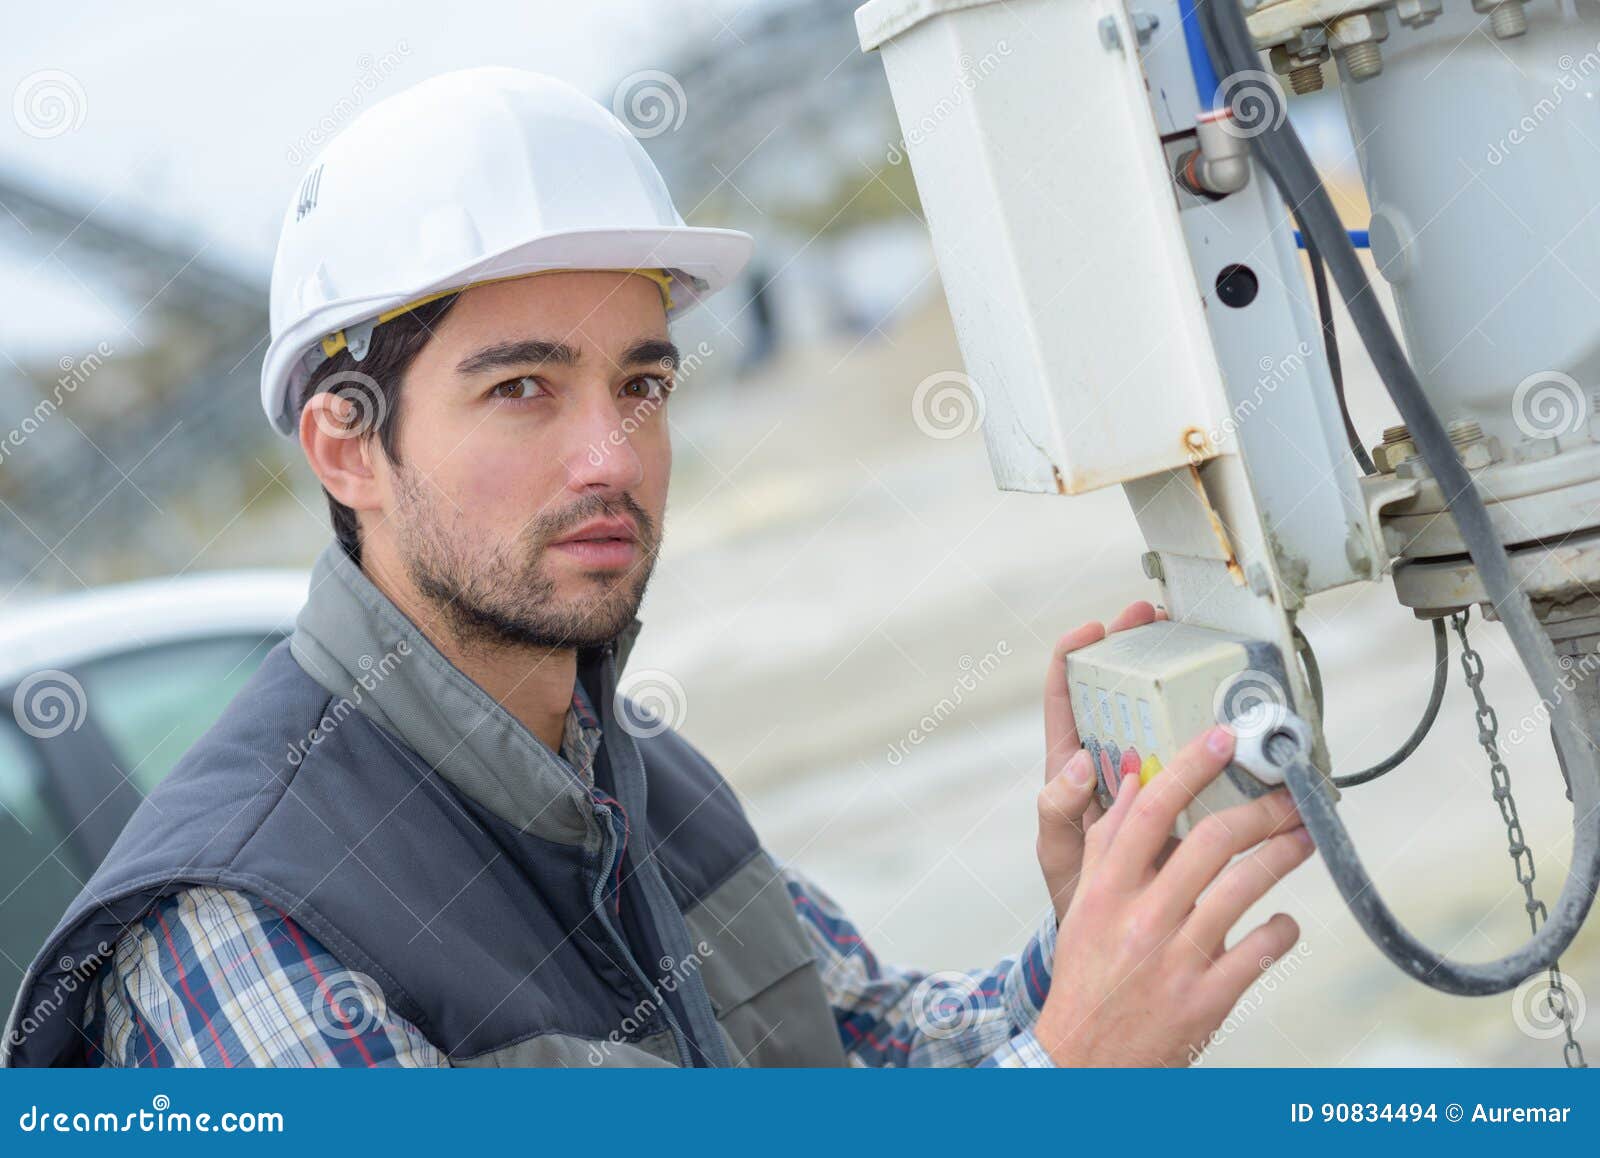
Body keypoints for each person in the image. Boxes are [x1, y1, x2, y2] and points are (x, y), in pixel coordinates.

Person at [3, 67, 1311, 1069]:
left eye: (642, 383)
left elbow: (874, 1062)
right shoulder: (247, 926)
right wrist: (1067, 1075)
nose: (608, 456)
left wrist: (1083, 951)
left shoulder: (638, 783)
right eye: (522, 387)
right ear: (347, 445)